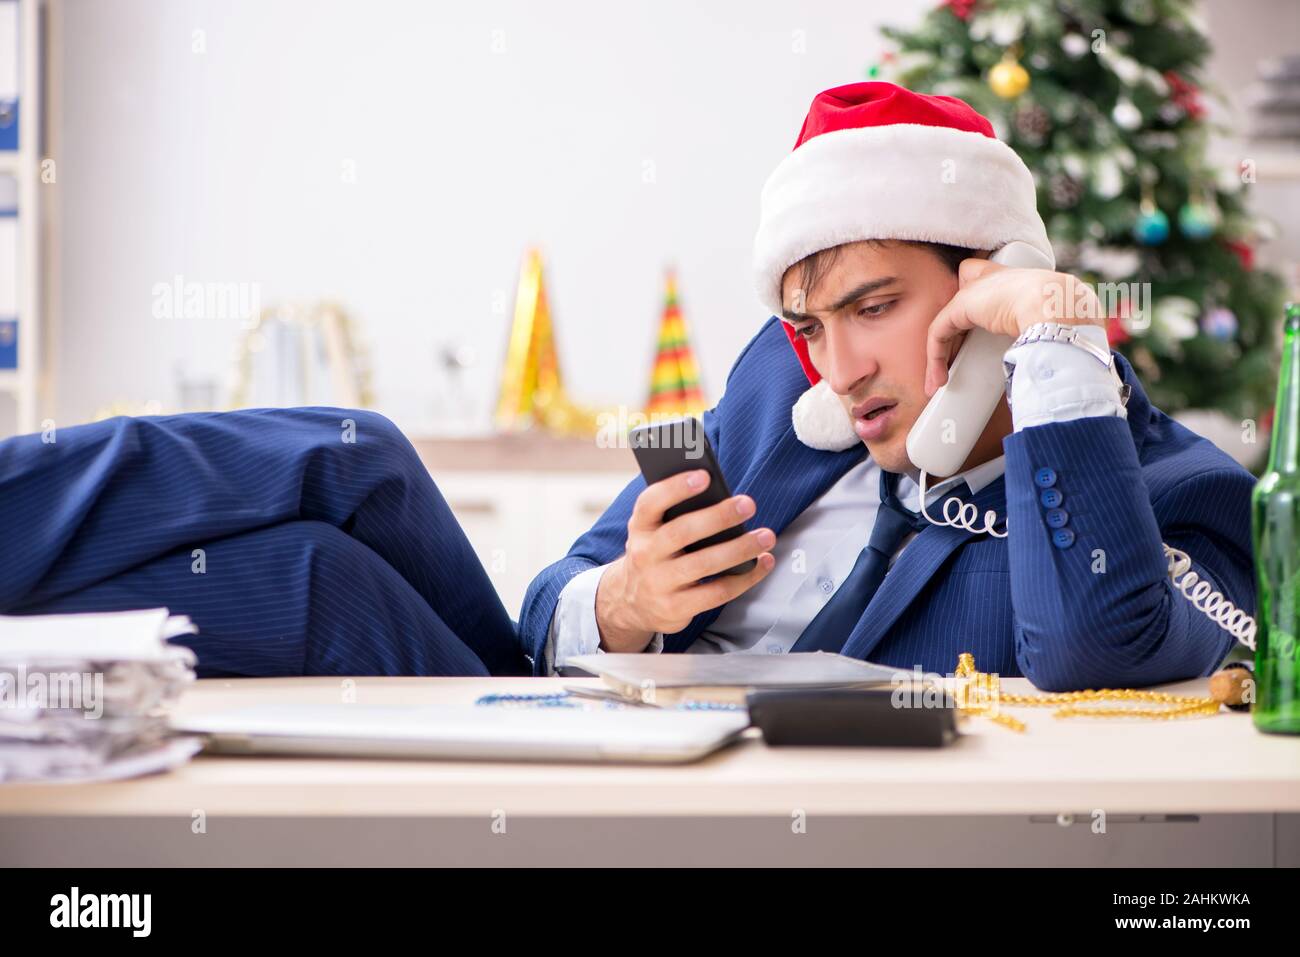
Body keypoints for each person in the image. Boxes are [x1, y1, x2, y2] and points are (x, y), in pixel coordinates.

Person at [521, 82, 1256, 690]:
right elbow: (543, 611)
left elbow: (1095, 655)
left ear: (994, 277)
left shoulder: (1189, 496)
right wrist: (626, 602)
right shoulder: (779, 396)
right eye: (809, 327)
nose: (838, 373)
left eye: (873, 308)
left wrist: (1053, 326)